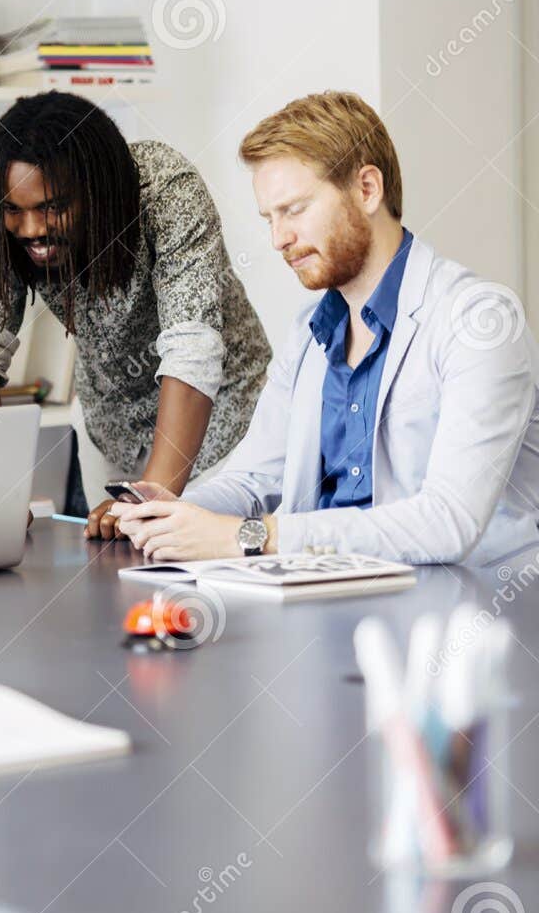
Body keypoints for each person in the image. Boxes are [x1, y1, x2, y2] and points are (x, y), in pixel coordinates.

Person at [113, 91, 539, 566]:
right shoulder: (309, 332)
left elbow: (447, 520)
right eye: (269, 218)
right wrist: (173, 513)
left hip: (466, 612)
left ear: (367, 190)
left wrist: (250, 537)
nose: (279, 239)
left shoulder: (479, 320)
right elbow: (254, 480)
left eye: (294, 209)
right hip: (331, 595)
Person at [0, 92, 272, 538]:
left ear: (95, 190)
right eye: (14, 211)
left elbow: (193, 350)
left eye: (52, 208)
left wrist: (148, 499)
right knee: (114, 577)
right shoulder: (1, 211)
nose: (29, 229)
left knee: (198, 580)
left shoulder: (167, 190)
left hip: (219, 424)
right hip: (111, 426)